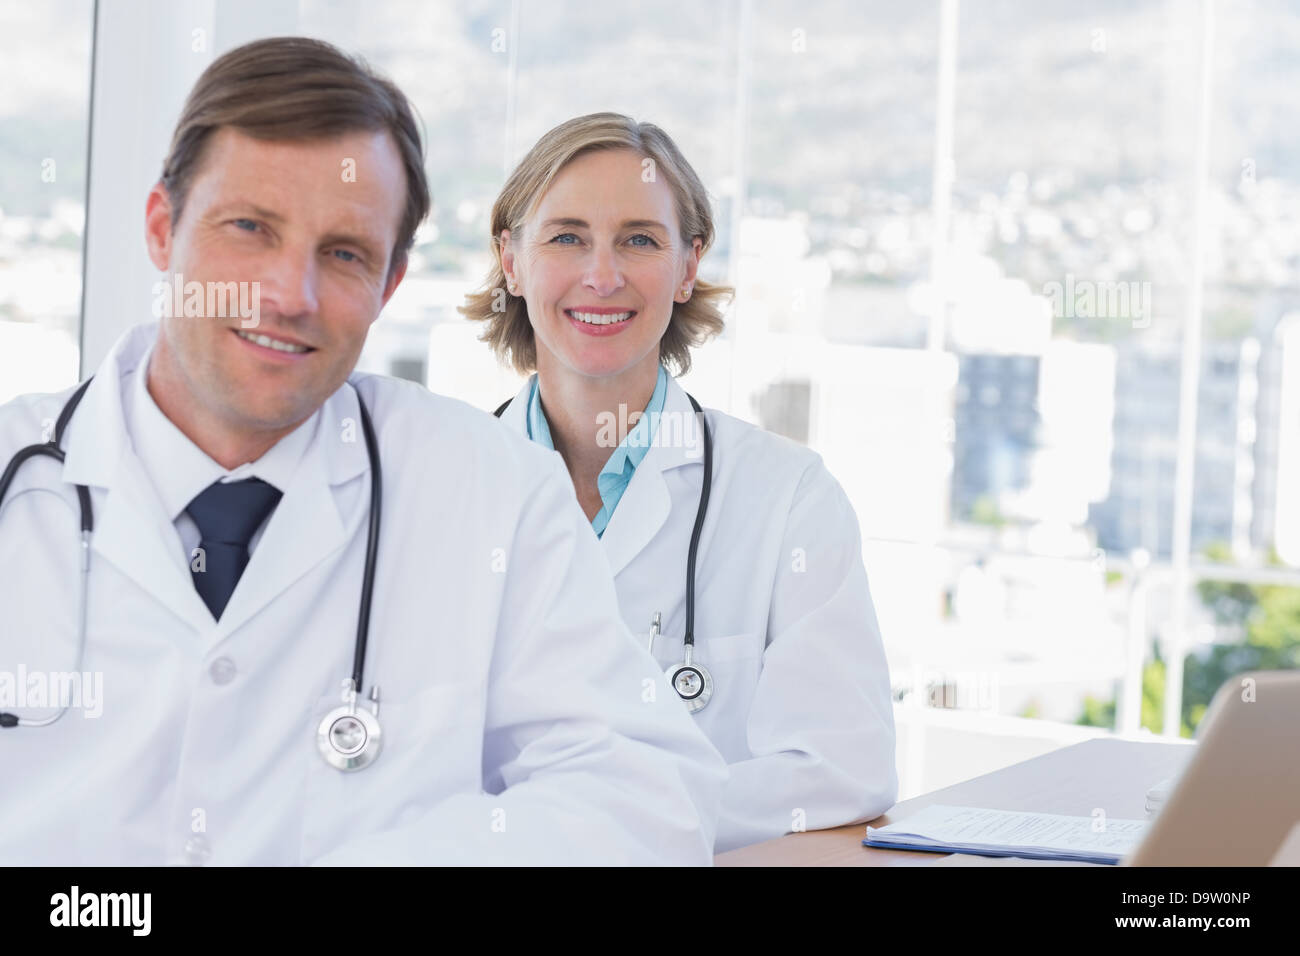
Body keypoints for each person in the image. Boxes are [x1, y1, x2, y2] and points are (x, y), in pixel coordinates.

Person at [0, 40, 725, 865]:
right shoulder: (16, 482)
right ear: (163, 230)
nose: (289, 296)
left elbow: (648, 795)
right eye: (250, 228)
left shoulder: (489, 490)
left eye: (343, 254)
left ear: (388, 284)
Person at [464, 113, 898, 853]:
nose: (603, 275)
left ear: (689, 265)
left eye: (640, 239)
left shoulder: (787, 498)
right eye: (567, 236)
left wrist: (592, 825)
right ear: (511, 259)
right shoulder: (444, 489)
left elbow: (839, 769)